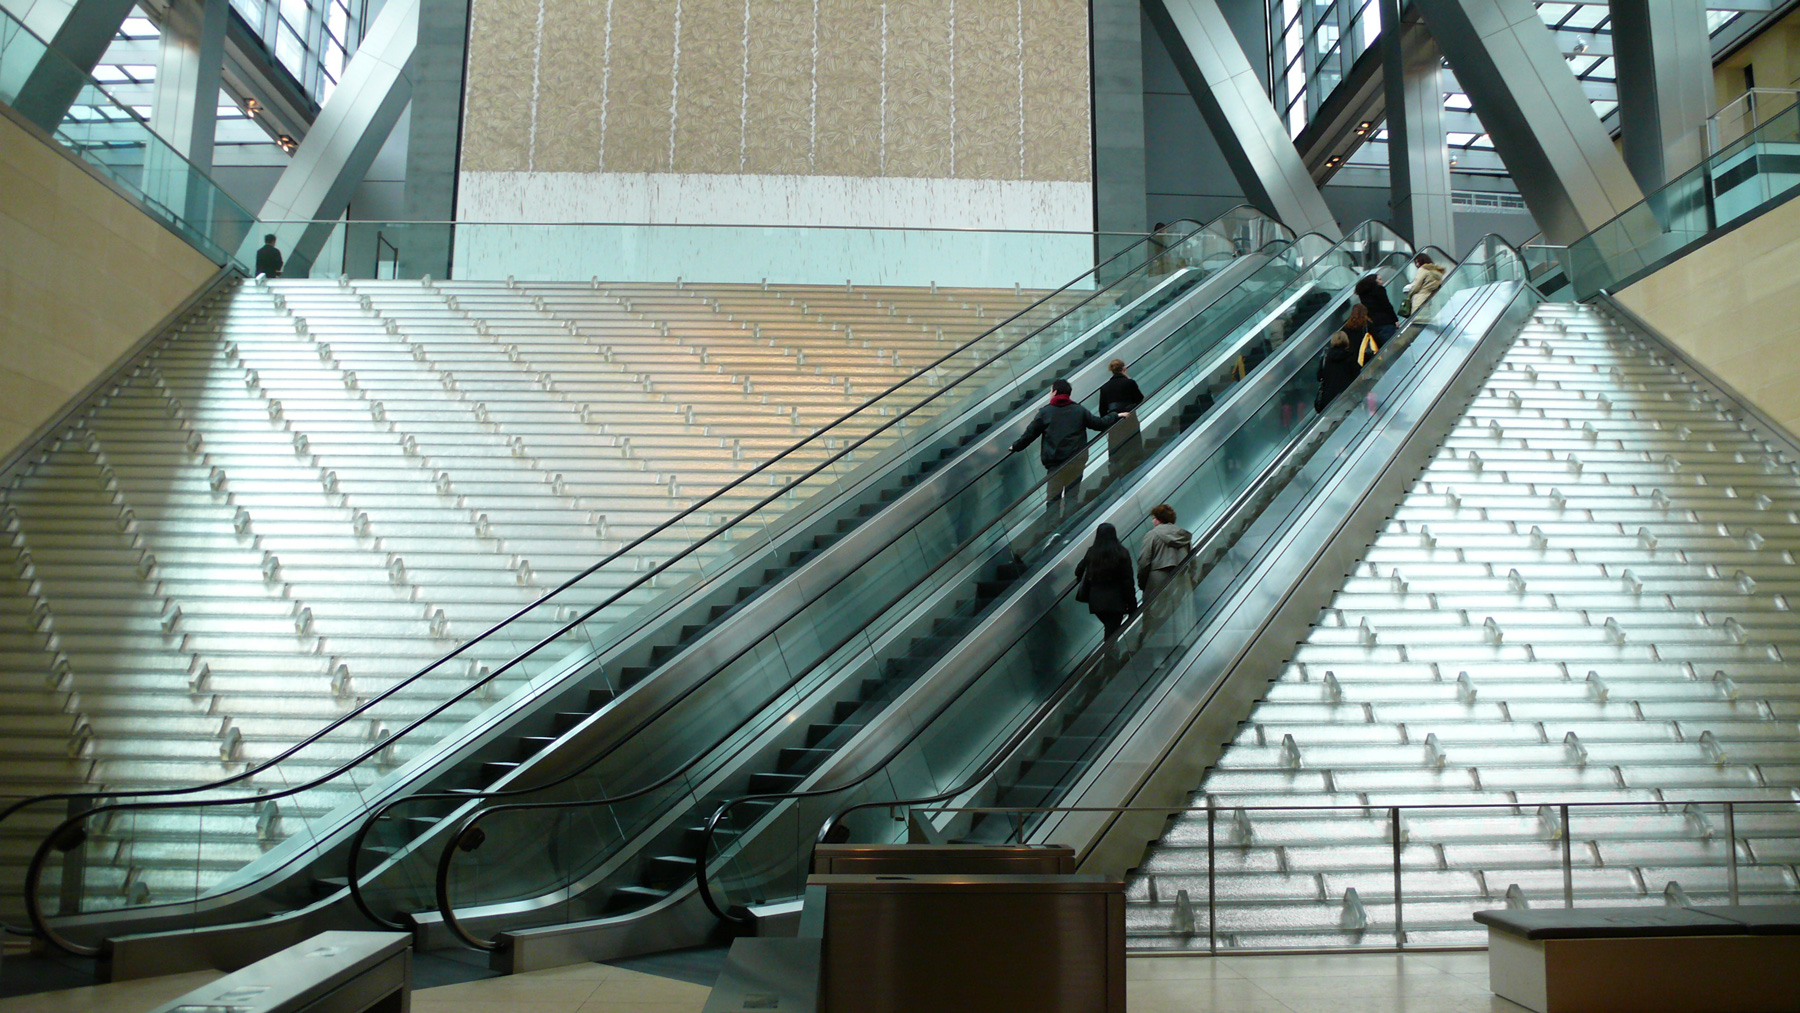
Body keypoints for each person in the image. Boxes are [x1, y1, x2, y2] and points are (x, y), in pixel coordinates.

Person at [1009, 379, 1126, 519]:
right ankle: (1067, 529)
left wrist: (1015, 446)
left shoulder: (1046, 412)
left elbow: (1029, 435)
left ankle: (1051, 532)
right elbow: (1099, 424)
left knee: (1053, 500)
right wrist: (1116, 415)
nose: (1049, 394)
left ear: (1056, 392)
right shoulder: (1079, 410)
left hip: (1055, 465)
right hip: (1076, 461)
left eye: (1050, 391)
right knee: (1072, 497)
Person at [1137, 504, 1195, 646]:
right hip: (1180, 578)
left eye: (1153, 518)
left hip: (1157, 579)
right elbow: (1192, 560)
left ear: (1158, 519)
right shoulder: (1183, 536)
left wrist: (1141, 582)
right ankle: (1179, 651)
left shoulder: (1152, 535)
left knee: (1155, 618)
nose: (1152, 521)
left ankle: (1158, 658)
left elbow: (1144, 561)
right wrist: (1192, 577)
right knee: (1177, 617)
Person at [1074, 523, 1136, 640]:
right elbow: (1127, 581)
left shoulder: (1092, 552)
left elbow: (1078, 571)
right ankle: (1110, 657)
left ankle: (1112, 656)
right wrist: (1132, 604)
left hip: (1096, 602)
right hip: (1116, 601)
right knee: (1111, 632)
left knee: (1110, 629)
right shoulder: (1121, 553)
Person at [1314, 326, 1362, 413]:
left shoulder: (1325, 358)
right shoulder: (1350, 357)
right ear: (1346, 341)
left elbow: (1319, 377)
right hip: (1346, 398)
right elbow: (1357, 375)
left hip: (1328, 400)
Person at [1355, 273, 1398, 344]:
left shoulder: (1362, 294)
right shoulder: (1379, 289)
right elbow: (1386, 305)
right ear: (1373, 281)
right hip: (1386, 322)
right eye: (1379, 279)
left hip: (1373, 323)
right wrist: (1395, 319)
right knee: (1389, 346)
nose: (1382, 282)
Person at [1402, 253, 1447, 318]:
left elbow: (1416, 286)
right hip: (1430, 300)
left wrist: (1409, 294)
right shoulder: (1436, 272)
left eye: (1418, 262)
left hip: (1420, 300)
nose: (1417, 264)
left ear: (1422, 261)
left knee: (1417, 322)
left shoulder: (1423, 270)